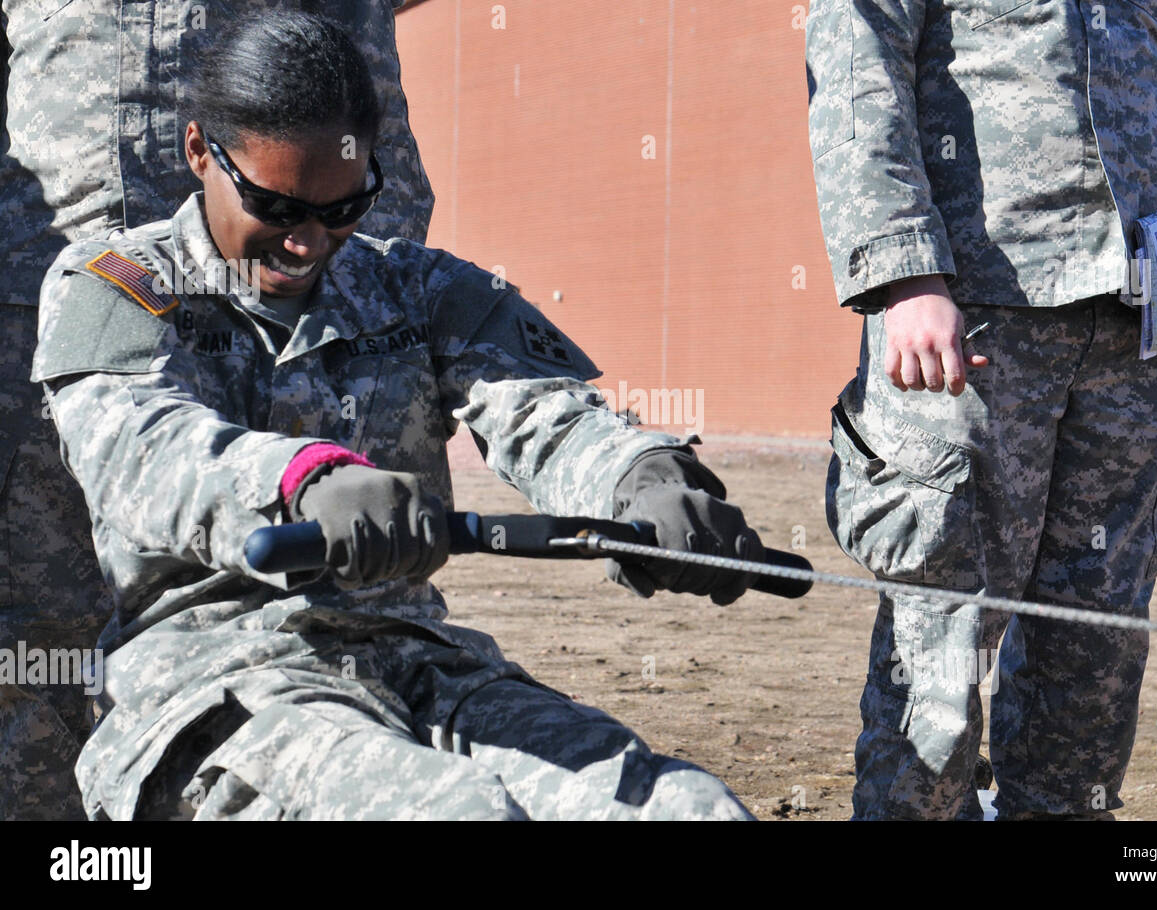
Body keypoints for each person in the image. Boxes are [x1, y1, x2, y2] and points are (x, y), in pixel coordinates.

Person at [31, 12, 760, 820]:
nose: (308, 243)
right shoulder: (117, 285)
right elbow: (143, 448)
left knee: (689, 807)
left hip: (421, 666)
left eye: (343, 210)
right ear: (201, 151)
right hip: (217, 689)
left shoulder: (418, 288)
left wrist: (643, 479)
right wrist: (303, 482)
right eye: (276, 207)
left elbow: (548, 413)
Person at [806, 1, 1157, 819]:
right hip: (971, 321)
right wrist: (903, 274)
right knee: (942, 650)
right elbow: (859, 62)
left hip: (1137, 328)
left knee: (1093, 658)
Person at [0, 0, 433, 819]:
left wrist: (359, 242)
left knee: (301, 609)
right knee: (37, 635)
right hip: (57, 298)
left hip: (302, 300)